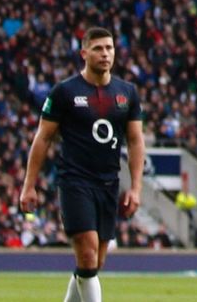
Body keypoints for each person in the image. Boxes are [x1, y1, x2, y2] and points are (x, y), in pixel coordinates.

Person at [19, 27, 145, 302]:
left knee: (93, 264)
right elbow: (43, 138)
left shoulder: (127, 93)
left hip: (108, 184)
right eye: (98, 48)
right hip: (75, 181)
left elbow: (136, 141)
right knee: (87, 255)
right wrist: (29, 186)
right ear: (84, 53)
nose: (105, 54)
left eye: (109, 48)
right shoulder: (65, 92)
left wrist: (136, 188)